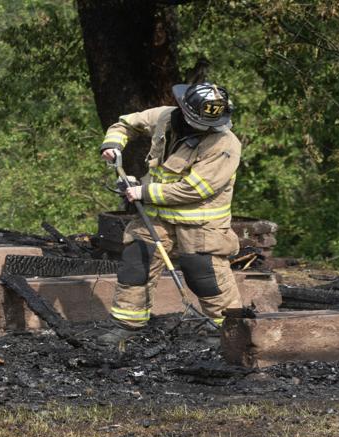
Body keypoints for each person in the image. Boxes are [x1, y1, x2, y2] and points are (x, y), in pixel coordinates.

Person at [97, 82, 243, 347]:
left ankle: (226, 332)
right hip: (156, 215)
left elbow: (194, 190)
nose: (209, 128)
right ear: (184, 110)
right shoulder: (165, 117)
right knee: (136, 263)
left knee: (205, 274)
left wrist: (143, 193)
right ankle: (126, 326)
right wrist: (113, 145)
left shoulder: (225, 144)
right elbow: (125, 124)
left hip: (200, 222)